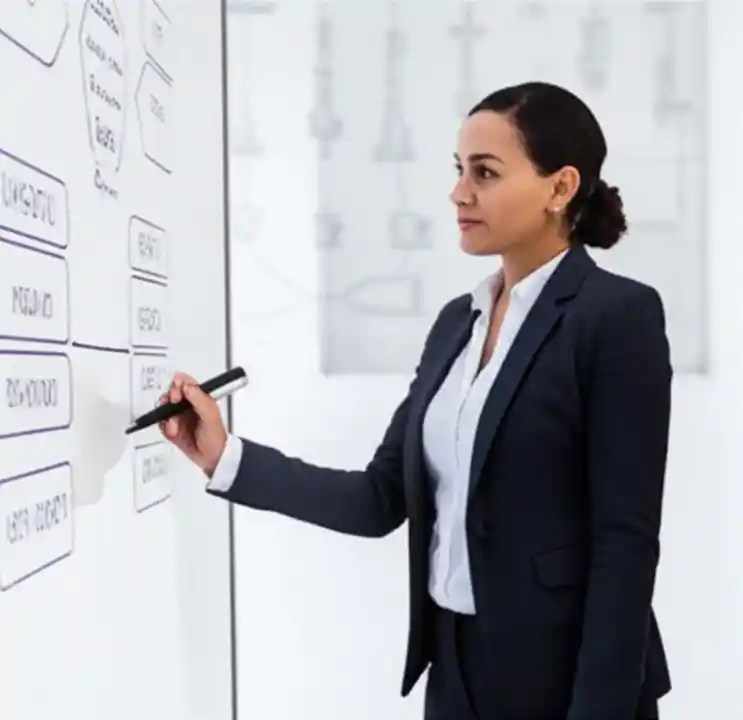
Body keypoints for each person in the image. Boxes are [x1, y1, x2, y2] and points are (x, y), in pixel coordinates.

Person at [161, 81, 673, 720]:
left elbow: (625, 543)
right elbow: (380, 498)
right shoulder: (456, 324)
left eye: (484, 172)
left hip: (568, 675)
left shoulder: (617, 315)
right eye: (459, 171)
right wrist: (224, 456)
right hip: (455, 669)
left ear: (560, 187)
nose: (460, 193)